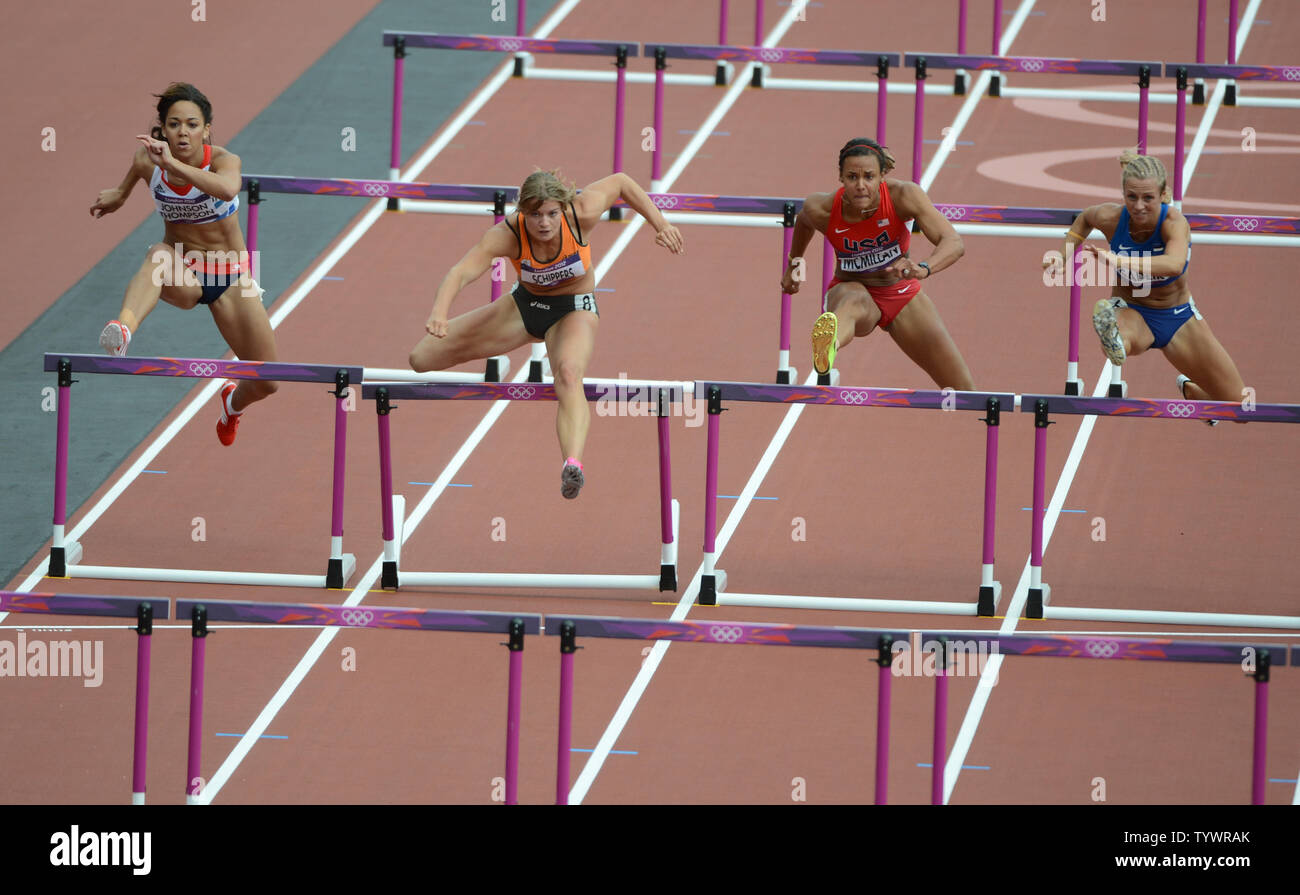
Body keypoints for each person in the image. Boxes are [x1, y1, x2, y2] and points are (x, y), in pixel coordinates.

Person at [409, 170, 685, 498]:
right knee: (421, 359)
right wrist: (439, 312)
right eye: (536, 215)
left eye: (552, 214)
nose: (544, 223)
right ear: (522, 212)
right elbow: (461, 271)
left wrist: (661, 224)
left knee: (568, 374)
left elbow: (623, 181)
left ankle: (573, 464)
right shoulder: (508, 234)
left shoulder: (580, 213)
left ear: (563, 209)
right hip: (524, 307)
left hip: (573, 311)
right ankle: (491, 345)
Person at [90, 82, 273, 446]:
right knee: (157, 255)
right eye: (174, 124)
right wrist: (118, 196)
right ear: (163, 127)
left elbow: (226, 190)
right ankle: (122, 330)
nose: (183, 132)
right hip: (183, 271)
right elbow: (130, 180)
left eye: (192, 124)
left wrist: (171, 163)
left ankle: (231, 405)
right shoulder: (147, 160)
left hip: (231, 276)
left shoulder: (224, 160)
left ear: (206, 129)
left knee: (268, 380)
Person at [1055, 150, 1246, 418]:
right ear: (1123, 195)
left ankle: (1192, 391)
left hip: (1178, 318)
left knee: (1241, 409)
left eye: (1148, 198)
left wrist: (1120, 261)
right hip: (1133, 310)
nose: (1139, 206)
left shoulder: (1173, 223)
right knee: (1122, 344)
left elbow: (1174, 264)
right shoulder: (1111, 218)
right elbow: (1085, 218)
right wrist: (1064, 253)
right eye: (1131, 197)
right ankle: (1115, 338)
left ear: (1163, 195)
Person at [781, 137, 975, 390]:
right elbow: (804, 222)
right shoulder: (823, 209)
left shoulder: (903, 196)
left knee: (964, 392)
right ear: (840, 177)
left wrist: (923, 268)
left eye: (869, 177)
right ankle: (829, 345)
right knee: (853, 300)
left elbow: (953, 241)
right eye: (852, 177)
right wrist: (794, 265)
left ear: (882, 176)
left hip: (901, 293)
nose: (861, 185)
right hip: (852, 287)